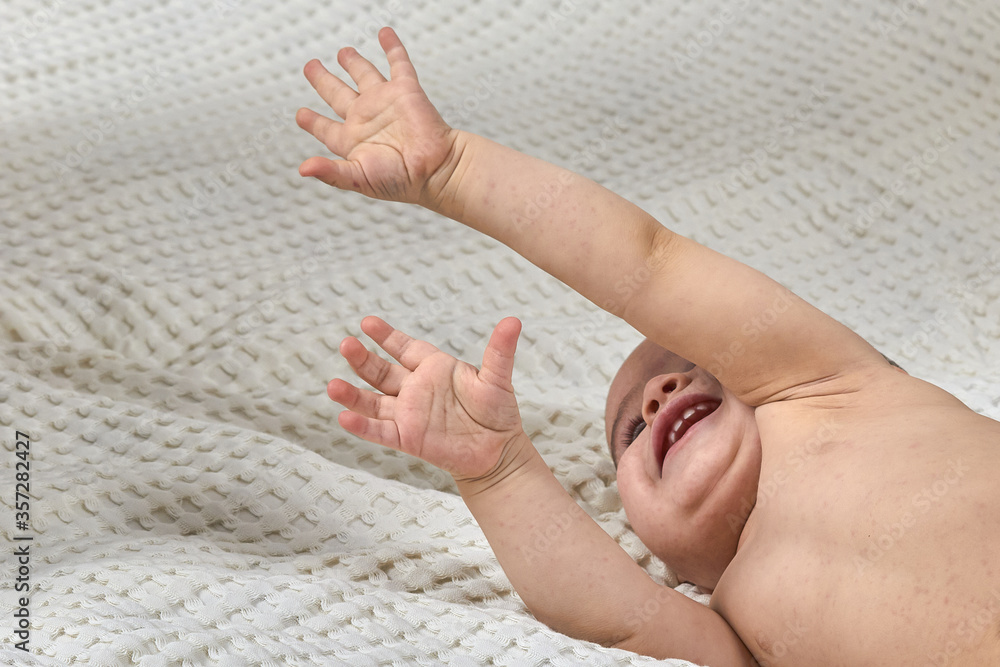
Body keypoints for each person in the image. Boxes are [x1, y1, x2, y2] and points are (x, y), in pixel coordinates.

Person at [296, 27, 1000, 666]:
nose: (659, 393)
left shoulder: (826, 385)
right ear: (665, 554)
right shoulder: (740, 624)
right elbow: (618, 621)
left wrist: (454, 169)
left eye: (696, 363)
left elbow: (649, 260)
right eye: (629, 430)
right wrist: (497, 470)